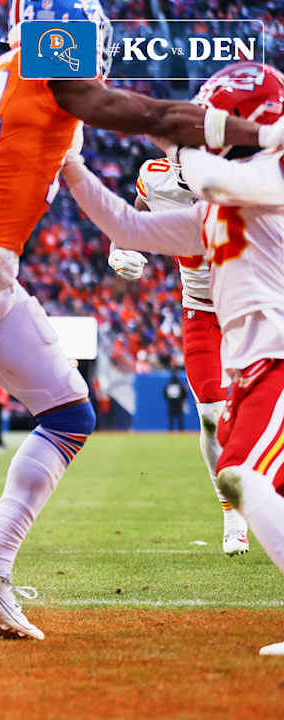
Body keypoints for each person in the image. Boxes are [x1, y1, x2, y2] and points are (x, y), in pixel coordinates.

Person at [0, 0, 284, 640]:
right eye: (82, 35)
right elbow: (142, 113)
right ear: (49, 34)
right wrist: (257, 133)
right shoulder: (49, 68)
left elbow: (60, 149)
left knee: (69, 412)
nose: (93, 47)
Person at [58, 60, 284, 654]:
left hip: (279, 352)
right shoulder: (216, 195)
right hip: (252, 350)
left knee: (244, 473)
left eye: (216, 120)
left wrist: (163, 128)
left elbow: (210, 175)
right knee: (243, 472)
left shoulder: (264, 172)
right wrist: (71, 165)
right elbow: (130, 223)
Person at [108, 154, 249, 555]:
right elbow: (129, 223)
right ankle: (232, 515)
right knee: (210, 415)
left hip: (255, 308)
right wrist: (119, 250)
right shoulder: (157, 179)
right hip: (202, 309)